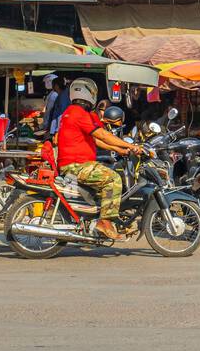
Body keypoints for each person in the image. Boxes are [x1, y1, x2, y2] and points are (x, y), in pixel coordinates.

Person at [55, 78, 138, 241]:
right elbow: (102, 134)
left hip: (77, 164)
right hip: (76, 166)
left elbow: (96, 140)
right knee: (113, 179)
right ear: (90, 95)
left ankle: (100, 217)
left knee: (107, 177)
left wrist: (120, 149)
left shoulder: (73, 112)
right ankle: (104, 222)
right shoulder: (78, 113)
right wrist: (131, 146)